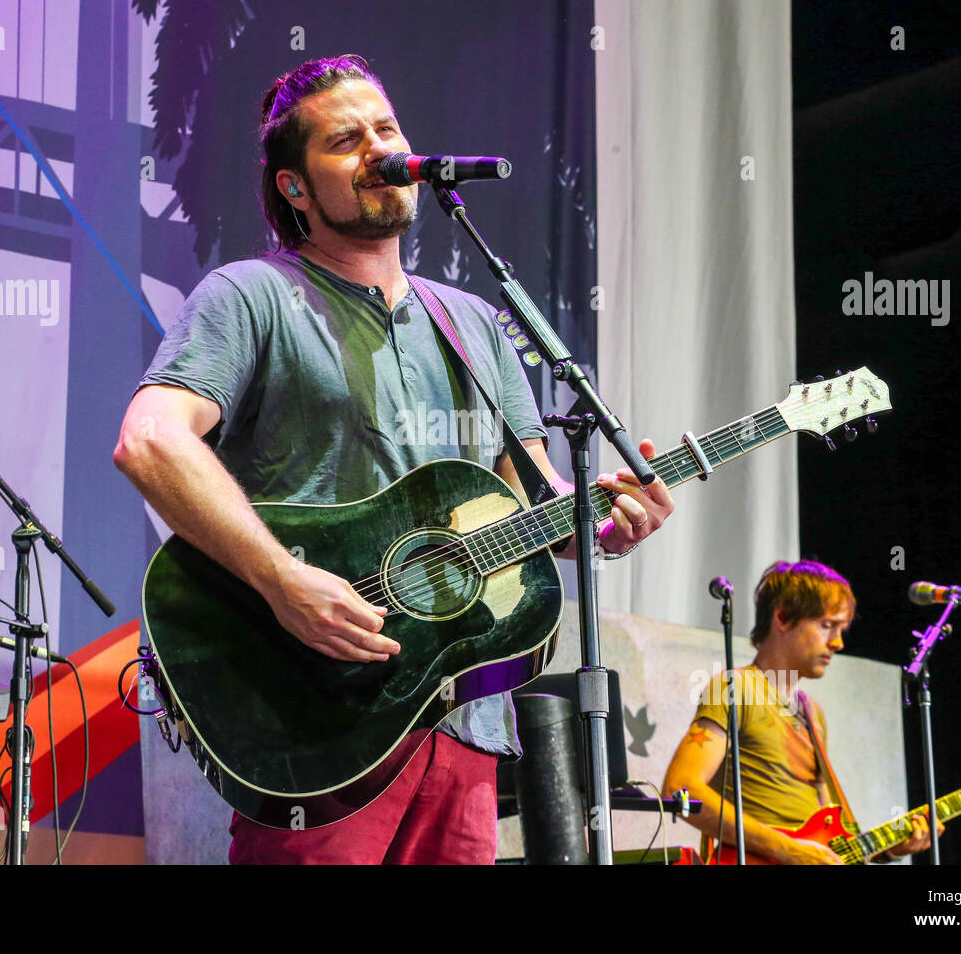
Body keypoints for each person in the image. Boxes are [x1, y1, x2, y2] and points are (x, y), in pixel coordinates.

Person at [113, 54, 675, 864]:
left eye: (387, 129)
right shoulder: (251, 297)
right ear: (294, 188)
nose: (380, 150)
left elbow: (528, 502)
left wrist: (604, 518)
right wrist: (284, 580)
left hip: (465, 722)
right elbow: (151, 438)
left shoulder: (476, 324)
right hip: (317, 720)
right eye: (346, 140)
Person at [663, 560, 938, 864]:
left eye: (841, 629)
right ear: (782, 617)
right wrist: (786, 849)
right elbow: (681, 787)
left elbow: (824, 841)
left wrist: (891, 847)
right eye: (826, 625)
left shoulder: (813, 713)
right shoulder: (735, 688)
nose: (837, 642)